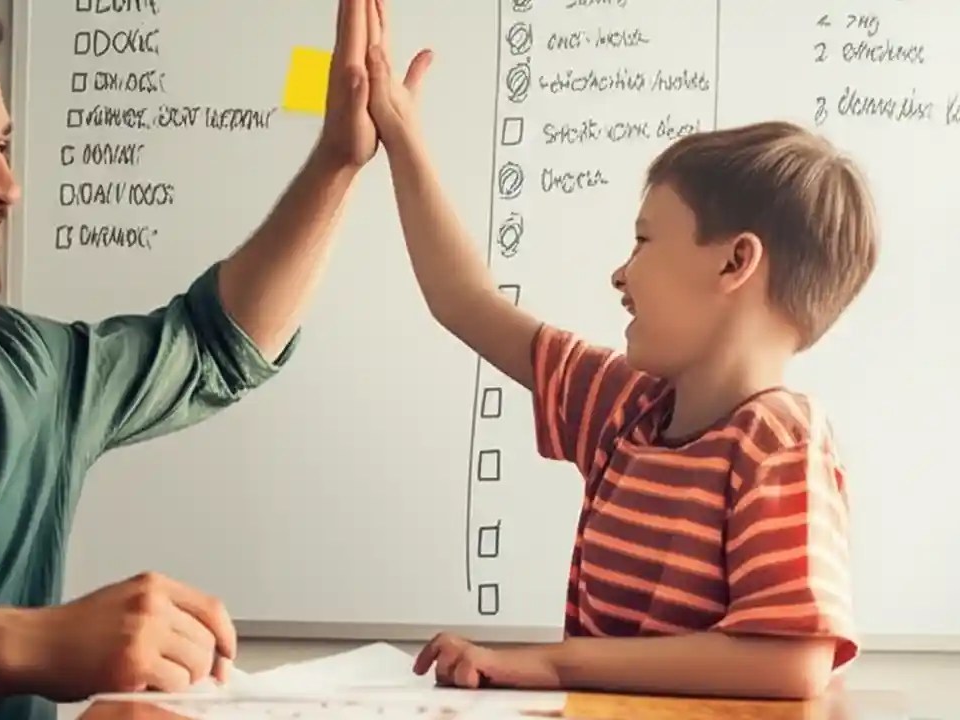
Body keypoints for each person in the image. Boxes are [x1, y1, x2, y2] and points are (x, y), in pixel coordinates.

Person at [0, 0, 400, 717]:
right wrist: (39, 645)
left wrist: (337, 163)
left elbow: (215, 346)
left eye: (2, 144)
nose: (5, 185)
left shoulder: (21, 374)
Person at [362, 1, 879, 700]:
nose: (620, 273)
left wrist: (553, 664)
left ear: (734, 264)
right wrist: (402, 139)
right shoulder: (625, 409)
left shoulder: (779, 444)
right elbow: (464, 302)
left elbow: (789, 663)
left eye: (643, 240)